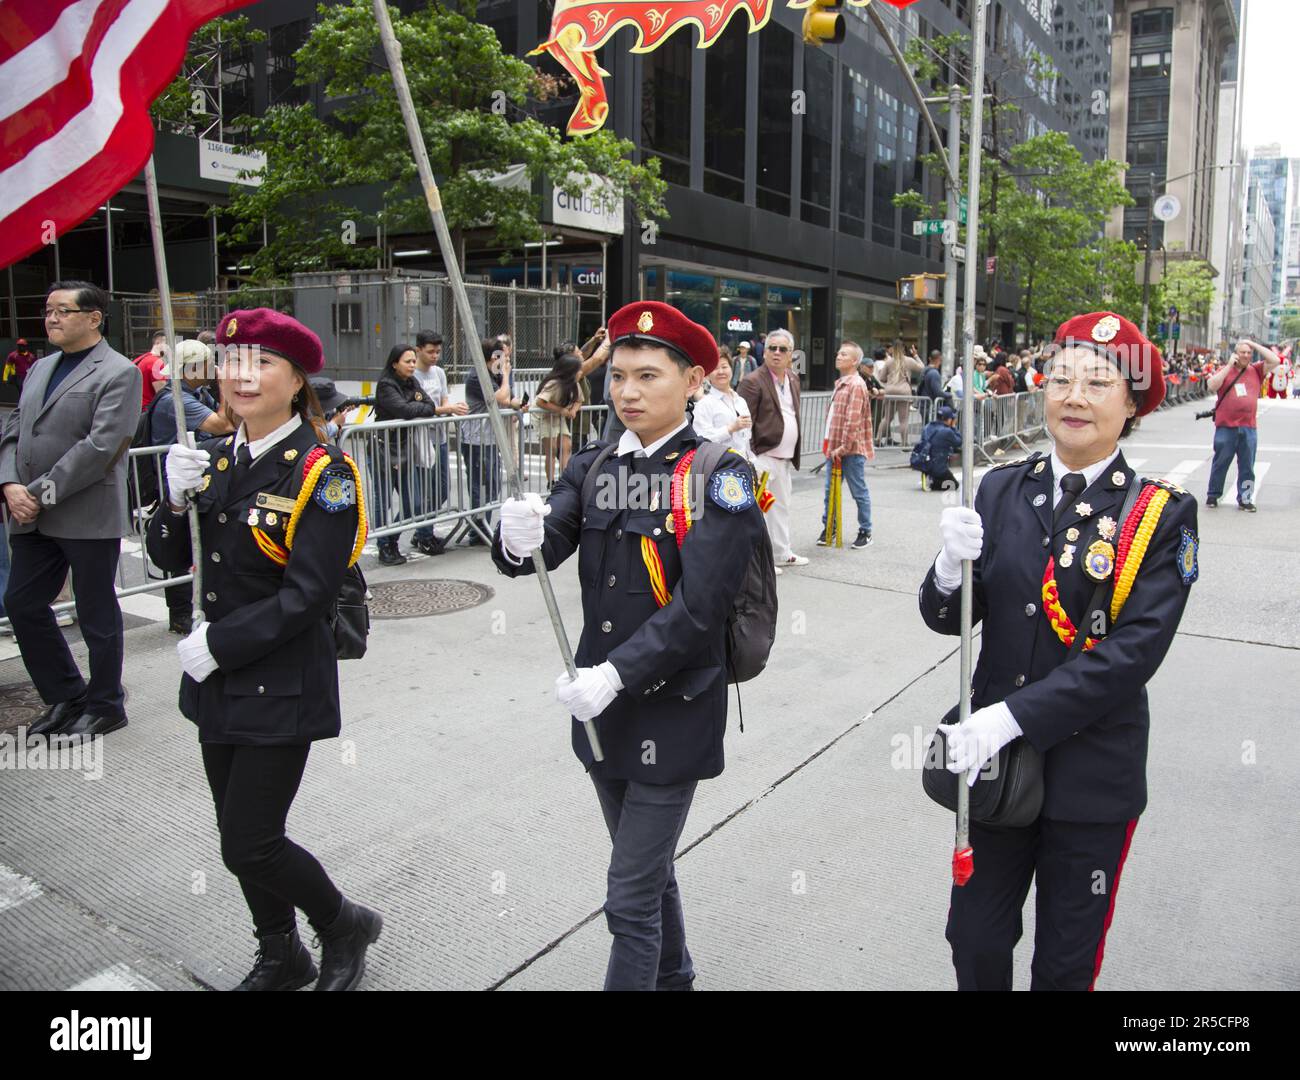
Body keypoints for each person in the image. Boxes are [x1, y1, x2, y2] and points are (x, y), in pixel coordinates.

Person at [919, 310, 1198, 991]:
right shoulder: (1001, 486)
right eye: (1062, 378)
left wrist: (1006, 717)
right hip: (994, 772)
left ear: (1131, 405)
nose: (1074, 396)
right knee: (975, 939)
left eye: (1099, 383)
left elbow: (1132, 653)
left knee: (1066, 963)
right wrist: (948, 571)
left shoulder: (1158, 515)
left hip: (1090, 776)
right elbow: (950, 617)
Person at [492, 300, 765, 991]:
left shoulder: (720, 477)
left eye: (648, 375)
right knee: (646, 868)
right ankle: (676, 977)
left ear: (695, 381)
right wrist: (515, 534)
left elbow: (700, 609)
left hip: (673, 707)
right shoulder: (590, 466)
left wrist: (615, 674)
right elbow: (543, 549)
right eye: (617, 377)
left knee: (628, 897)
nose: (628, 392)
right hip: (602, 710)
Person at [147, 308, 382, 992]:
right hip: (217, 681)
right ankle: (281, 953)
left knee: (250, 839)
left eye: (262, 363)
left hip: (279, 681)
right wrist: (169, 500)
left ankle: (343, 924)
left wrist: (221, 642)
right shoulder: (215, 457)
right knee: (236, 838)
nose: (242, 376)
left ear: (298, 380)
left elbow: (310, 593)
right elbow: (169, 561)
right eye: (232, 361)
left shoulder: (320, 472)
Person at [0, 281, 140, 739]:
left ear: (93, 318)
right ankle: (65, 694)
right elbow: (16, 426)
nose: (52, 318)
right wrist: (8, 484)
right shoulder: (40, 368)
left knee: (96, 613)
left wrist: (36, 492)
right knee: (21, 602)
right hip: (30, 511)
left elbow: (102, 446)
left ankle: (105, 705)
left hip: (84, 510)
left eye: (62, 310)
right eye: (48, 310)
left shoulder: (119, 372)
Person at [150, 339, 236, 634]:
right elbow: (224, 425)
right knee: (178, 545)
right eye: (206, 363)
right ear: (191, 368)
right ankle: (179, 613)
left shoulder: (196, 393)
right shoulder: (176, 398)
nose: (212, 368)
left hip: (191, 479)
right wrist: (226, 386)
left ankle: (192, 606)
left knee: (196, 540)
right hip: (172, 482)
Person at [738, 328, 806, 568]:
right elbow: (743, 422)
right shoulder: (752, 381)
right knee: (760, 511)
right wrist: (750, 457)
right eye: (772, 348)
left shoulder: (794, 379)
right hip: (762, 457)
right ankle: (759, 561)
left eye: (783, 349)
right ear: (765, 352)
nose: (777, 353)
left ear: (791, 355)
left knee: (781, 507)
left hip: (784, 458)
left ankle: (782, 552)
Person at [374, 343, 440, 564]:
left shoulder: (412, 382)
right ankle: (384, 546)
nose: (413, 365)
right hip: (383, 447)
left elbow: (430, 406)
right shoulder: (386, 385)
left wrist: (413, 406)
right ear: (395, 364)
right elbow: (403, 410)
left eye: (413, 361)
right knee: (383, 501)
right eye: (408, 361)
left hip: (405, 447)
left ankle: (391, 538)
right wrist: (413, 405)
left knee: (415, 503)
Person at [1204, 338, 1281, 512]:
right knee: (1220, 462)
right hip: (1226, 427)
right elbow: (1211, 385)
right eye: (1242, 352)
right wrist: (1229, 366)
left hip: (1248, 427)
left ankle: (1245, 498)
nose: (1246, 355)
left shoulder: (1256, 370)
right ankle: (1213, 494)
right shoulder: (1226, 370)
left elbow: (1275, 360)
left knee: (1247, 466)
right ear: (1235, 354)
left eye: (1248, 353)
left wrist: (1253, 344)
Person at [461, 338, 526, 544]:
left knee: (492, 483)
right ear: (493, 358)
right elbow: (499, 396)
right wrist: (506, 375)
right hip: (475, 438)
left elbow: (507, 399)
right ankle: (477, 530)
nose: (506, 361)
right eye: (503, 357)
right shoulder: (477, 375)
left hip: (489, 438)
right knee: (479, 485)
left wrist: (518, 405)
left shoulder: (492, 374)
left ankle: (482, 526)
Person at [817, 342, 875, 550]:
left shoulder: (856, 385)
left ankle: (865, 531)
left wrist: (841, 448)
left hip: (850, 450)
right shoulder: (841, 383)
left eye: (844, 354)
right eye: (839, 352)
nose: (838, 356)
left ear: (855, 361)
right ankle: (829, 527)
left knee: (858, 491)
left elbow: (852, 422)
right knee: (829, 491)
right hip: (835, 449)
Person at [412, 330, 467, 541]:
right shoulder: (412, 375)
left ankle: (421, 529)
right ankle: (424, 533)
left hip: (440, 438)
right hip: (421, 440)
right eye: (430, 352)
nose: (434, 356)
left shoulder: (439, 372)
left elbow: (444, 399)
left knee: (442, 489)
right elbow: (419, 408)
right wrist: (447, 409)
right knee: (424, 492)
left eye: (437, 352)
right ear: (419, 350)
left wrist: (448, 408)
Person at [533, 352, 584, 487]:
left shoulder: (574, 384)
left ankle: (565, 479)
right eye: (578, 370)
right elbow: (541, 402)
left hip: (559, 418)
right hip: (545, 417)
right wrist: (561, 410)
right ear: (569, 371)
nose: (580, 373)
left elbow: (579, 400)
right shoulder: (553, 383)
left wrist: (573, 410)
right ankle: (551, 482)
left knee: (566, 446)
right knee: (552, 449)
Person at [690, 351, 752, 460]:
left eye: (724, 366)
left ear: (731, 370)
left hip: (743, 464)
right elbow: (702, 440)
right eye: (715, 368)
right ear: (707, 375)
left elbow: (746, 440)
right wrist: (730, 428)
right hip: (719, 466)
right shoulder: (704, 404)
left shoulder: (740, 401)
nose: (721, 371)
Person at [878, 339, 922, 445]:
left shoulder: (889, 362)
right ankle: (904, 443)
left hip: (890, 392)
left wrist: (890, 380)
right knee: (904, 420)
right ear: (903, 349)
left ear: (892, 349)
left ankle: (878, 439)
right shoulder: (909, 361)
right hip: (904, 392)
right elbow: (922, 368)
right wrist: (915, 355)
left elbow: (881, 378)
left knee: (887, 418)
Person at [915, 404, 962, 491]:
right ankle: (932, 484)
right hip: (938, 466)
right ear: (949, 419)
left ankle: (929, 476)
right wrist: (954, 427)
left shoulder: (928, 426)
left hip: (924, 462)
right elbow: (959, 442)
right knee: (954, 485)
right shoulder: (947, 431)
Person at [134, 330, 169, 410]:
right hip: (147, 413)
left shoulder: (141, 359)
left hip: (137, 410)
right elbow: (163, 397)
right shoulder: (156, 363)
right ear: (157, 343)